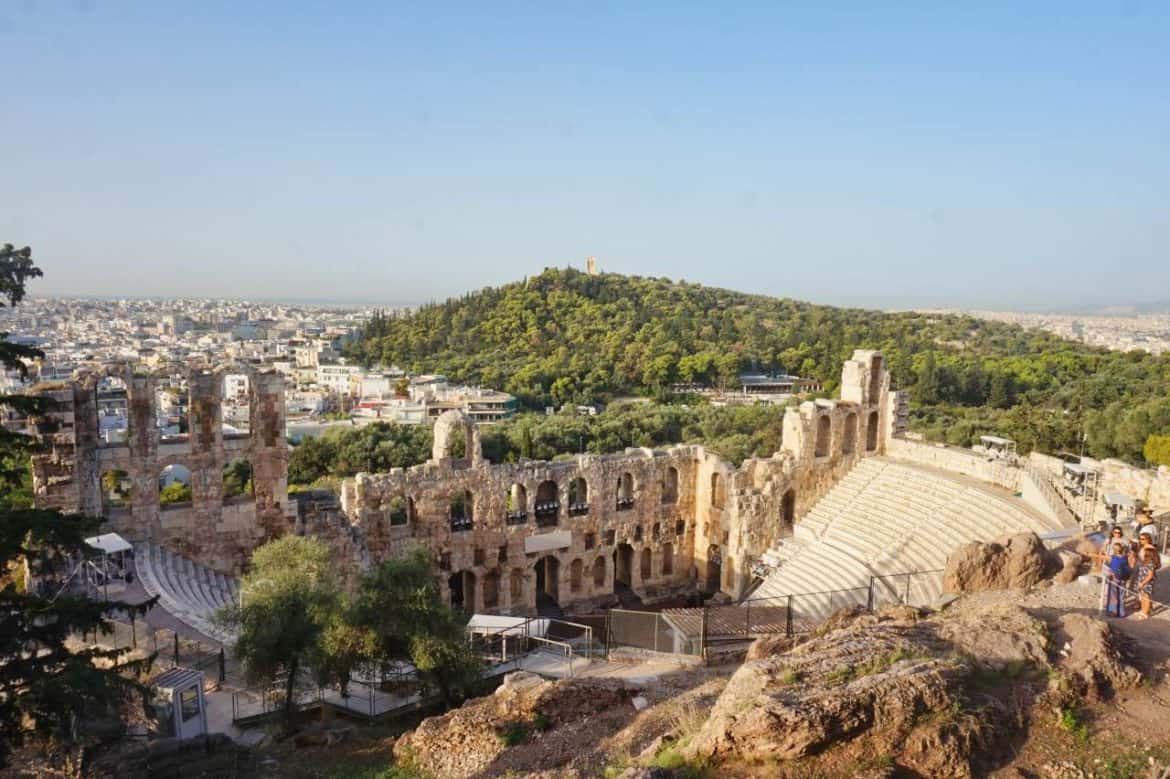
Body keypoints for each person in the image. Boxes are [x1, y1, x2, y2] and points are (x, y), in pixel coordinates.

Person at [1103, 542, 1131, 618]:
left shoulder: (1112, 557)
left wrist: (1088, 553)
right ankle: (1121, 613)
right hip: (1123, 578)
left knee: (1113, 595)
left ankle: (1113, 612)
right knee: (1121, 596)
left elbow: (1101, 556)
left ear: (1114, 550)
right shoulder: (1125, 557)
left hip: (1114, 578)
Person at [1134, 546, 1158, 621]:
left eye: (1144, 552)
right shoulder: (1144, 562)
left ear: (1148, 554)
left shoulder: (1151, 564)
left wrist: (1142, 583)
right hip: (1141, 582)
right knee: (1142, 597)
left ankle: (1145, 613)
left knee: (1146, 598)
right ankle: (1142, 610)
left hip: (1147, 584)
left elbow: (1150, 576)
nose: (1142, 553)